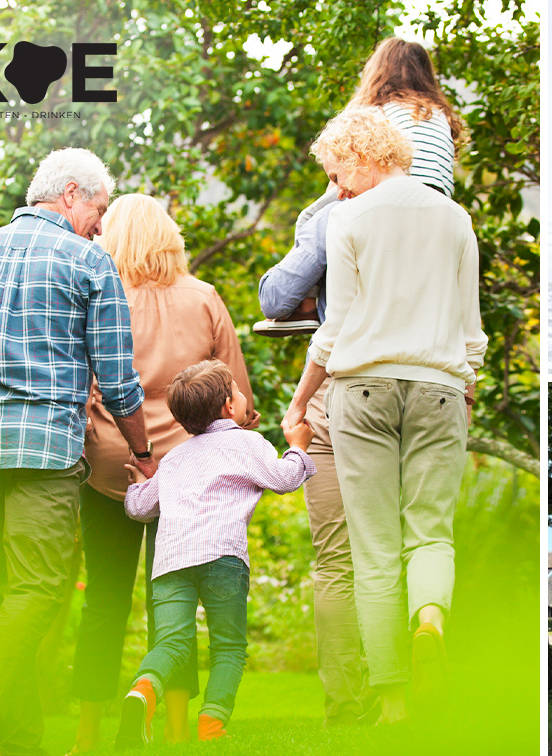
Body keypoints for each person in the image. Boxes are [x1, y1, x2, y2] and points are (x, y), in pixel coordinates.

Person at [252, 36, 467, 726]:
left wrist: (298, 399)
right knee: (429, 535)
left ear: (361, 155)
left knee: (366, 554)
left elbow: (329, 324)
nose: (336, 184)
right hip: (438, 384)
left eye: (338, 172)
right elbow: (471, 328)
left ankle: (387, 703)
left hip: (360, 388)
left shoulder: (344, 214)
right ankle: (429, 621)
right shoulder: (454, 211)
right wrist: (463, 382)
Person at [0, 148, 155, 756]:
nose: (101, 223)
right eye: (99, 208)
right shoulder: (89, 261)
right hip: (44, 452)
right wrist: (142, 450)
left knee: (3, 595)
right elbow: (117, 378)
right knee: (38, 588)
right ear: (71, 193)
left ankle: (16, 740)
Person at [69, 194, 258, 752]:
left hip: (113, 466)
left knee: (103, 599)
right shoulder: (203, 297)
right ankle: (176, 732)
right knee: (172, 602)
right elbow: (240, 401)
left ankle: (86, 736)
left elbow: (79, 382)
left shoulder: (99, 295)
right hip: (187, 476)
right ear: (170, 236)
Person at [114, 360, 315, 748]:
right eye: (238, 391)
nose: (242, 396)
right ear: (228, 405)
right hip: (223, 556)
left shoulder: (174, 458)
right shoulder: (248, 443)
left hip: (171, 561)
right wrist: (297, 447)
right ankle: (212, 724)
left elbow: (140, 509)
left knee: (171, 644)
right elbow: (286, 479)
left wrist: (139, 483)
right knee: (228, 646)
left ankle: (143, 690)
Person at [254, 36, 465, 335]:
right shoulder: (442, 118)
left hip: (388, 193)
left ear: (378, 72)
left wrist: (335, 187)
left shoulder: (375, 113)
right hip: (435, 210)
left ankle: (307, 303)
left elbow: (353, 168)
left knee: (313, 215)